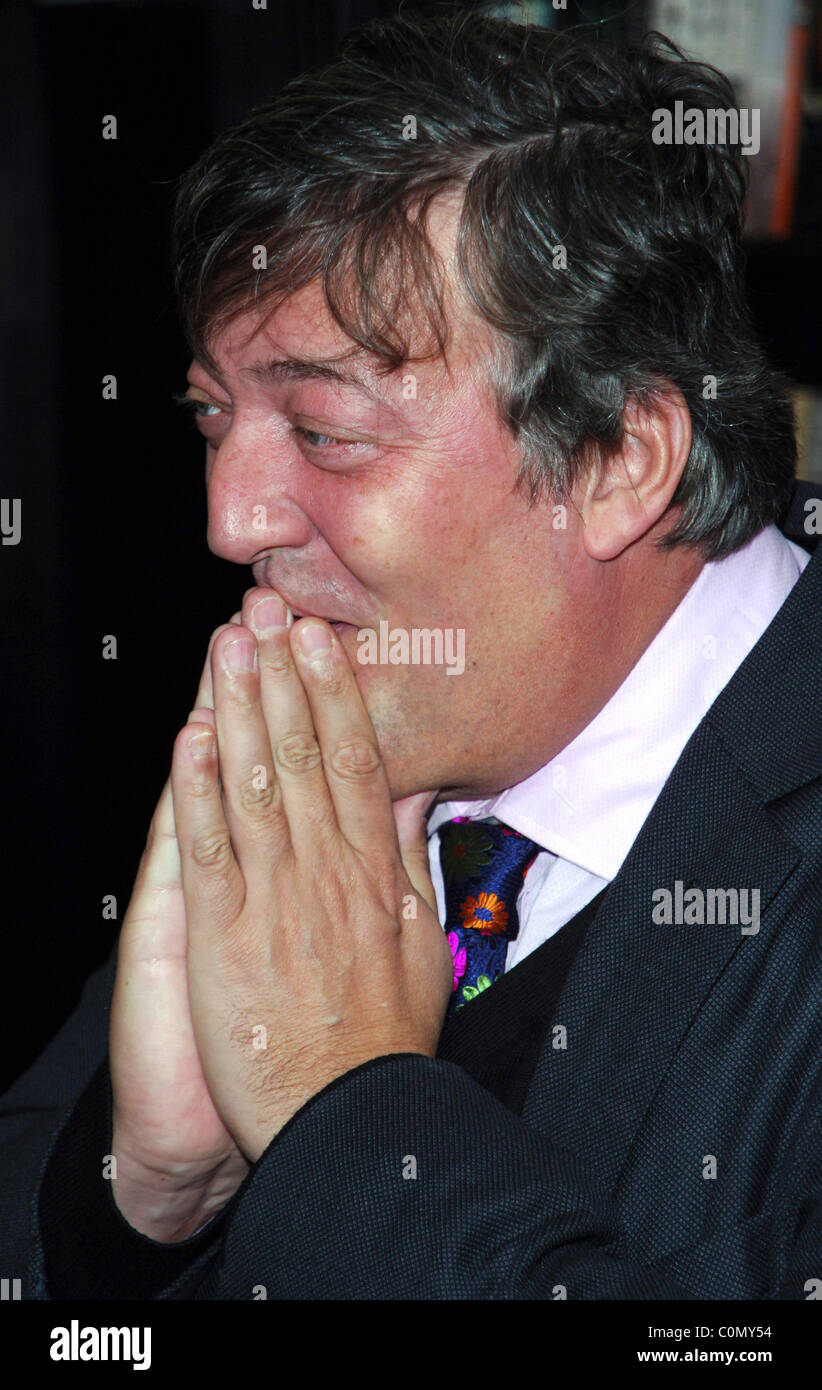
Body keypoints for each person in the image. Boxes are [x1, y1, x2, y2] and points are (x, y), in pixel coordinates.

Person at [2, 8, 821, 1301]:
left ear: (621, 458)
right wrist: (143, 1199)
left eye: (323, 429)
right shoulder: (324, 756)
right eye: (213, 413)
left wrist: (346, 1113)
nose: (229, 517)